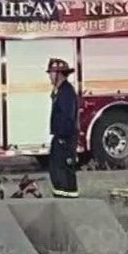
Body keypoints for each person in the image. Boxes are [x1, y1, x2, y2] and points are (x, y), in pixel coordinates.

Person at [46, 58, 80, 198]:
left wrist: (62, 137)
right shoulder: (60, 90)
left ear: (59, 74)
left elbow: (67, 116)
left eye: (51, 73)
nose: (49, 76)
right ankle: (61, 193)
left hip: (65, 137)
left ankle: (67, 194)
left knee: (63, 167)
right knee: (56, 166)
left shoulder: (66, 92)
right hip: (61, 136)